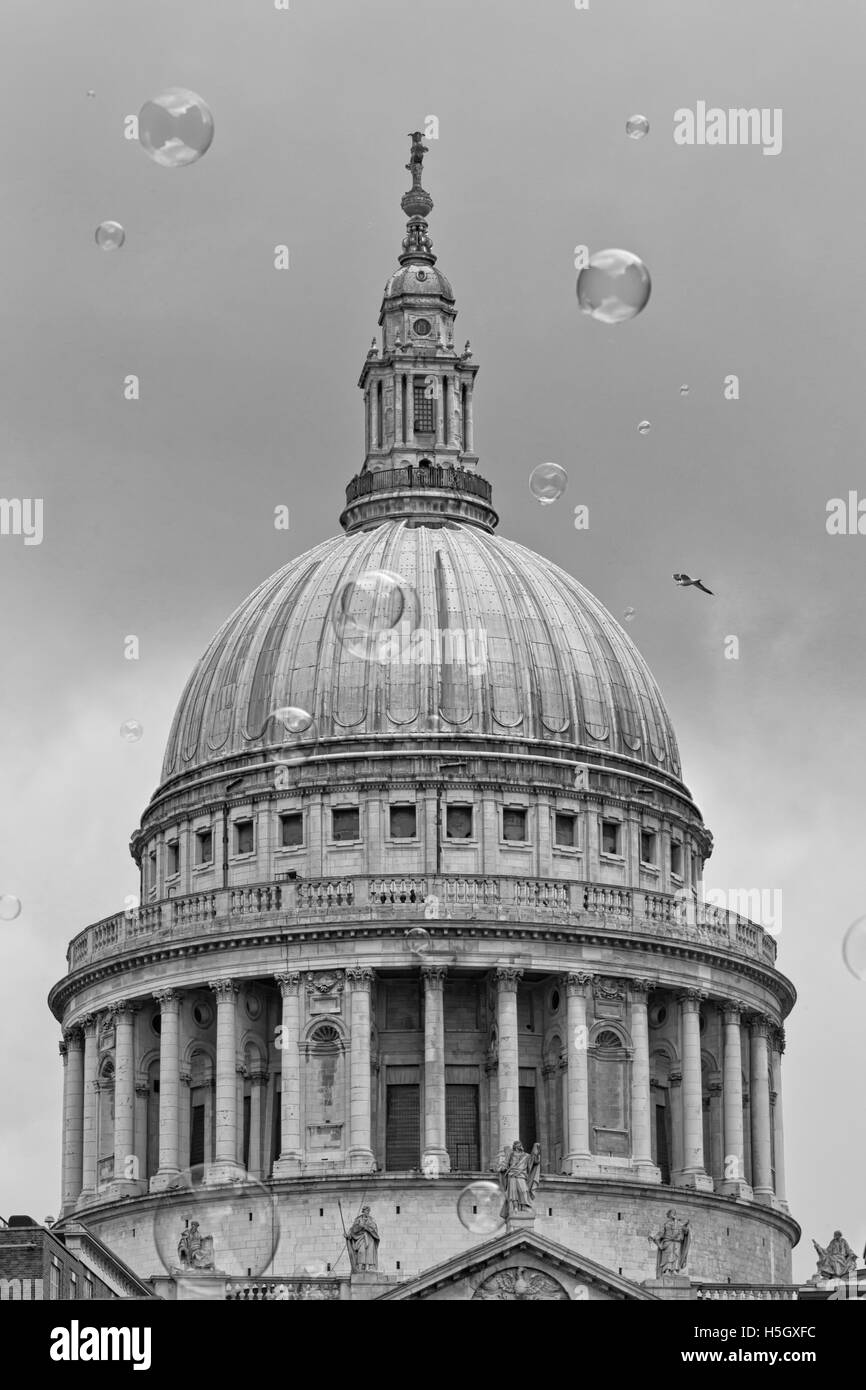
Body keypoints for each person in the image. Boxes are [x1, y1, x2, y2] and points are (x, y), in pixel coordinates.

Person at [498, 1140, 540, 1219]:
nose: (520, 1147)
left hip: (521, 1175)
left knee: (524, 1191)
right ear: (516, 1147)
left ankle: (524, 1206)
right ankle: (515, 1208)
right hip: (512, 1175)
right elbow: (505, 1164)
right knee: (513, 1193)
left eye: (520, 1145)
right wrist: (502, 1168)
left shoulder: (526, 1156)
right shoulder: (511, 1155)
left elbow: (534, 1161)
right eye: (518, 1145)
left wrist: (536, 1150)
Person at [650, 1209, 691, 1277]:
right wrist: (655, 1237)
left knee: (676, 1256)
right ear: (669, 1215)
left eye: (674, 1213)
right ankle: (667, 1270)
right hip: (668, 1242)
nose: (673, 1215)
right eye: (671, 1213)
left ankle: (675, 1270)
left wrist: (686, 1228)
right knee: (668, 1256)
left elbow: (686, 1232)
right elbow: (661, 1233)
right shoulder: (666, 1224)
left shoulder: (679, 1224)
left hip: (677, 1242)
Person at [346, 1205, 380, 1272]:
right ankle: (360, 1267)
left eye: (368, 1211)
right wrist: (350, 1234)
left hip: (370, 1238)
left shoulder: (371, 1219)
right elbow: (353, 1229)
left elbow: (375, 1229)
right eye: (366, 1210)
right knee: (361, 1252)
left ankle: (368, 1267)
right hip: (360, 1237)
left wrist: (368, 1228)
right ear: (363, 1211)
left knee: (369, 1253)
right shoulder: (358, 1219)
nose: (367, 1212)